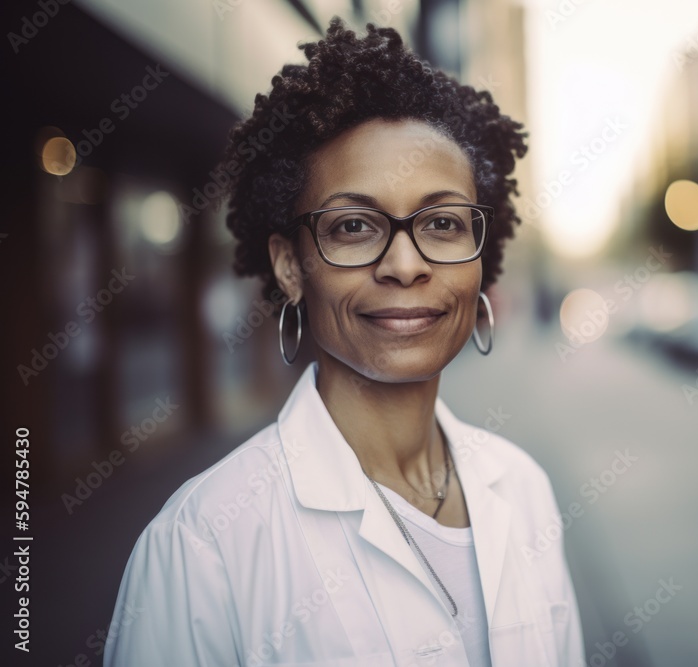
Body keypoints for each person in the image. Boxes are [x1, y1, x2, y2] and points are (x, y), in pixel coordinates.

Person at [103, 17, 585, 667]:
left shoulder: (523, 489)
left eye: (442, 222)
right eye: (355, 225)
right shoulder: (203, 546)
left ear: (482, 257)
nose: (407, 264)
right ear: (290, 265)